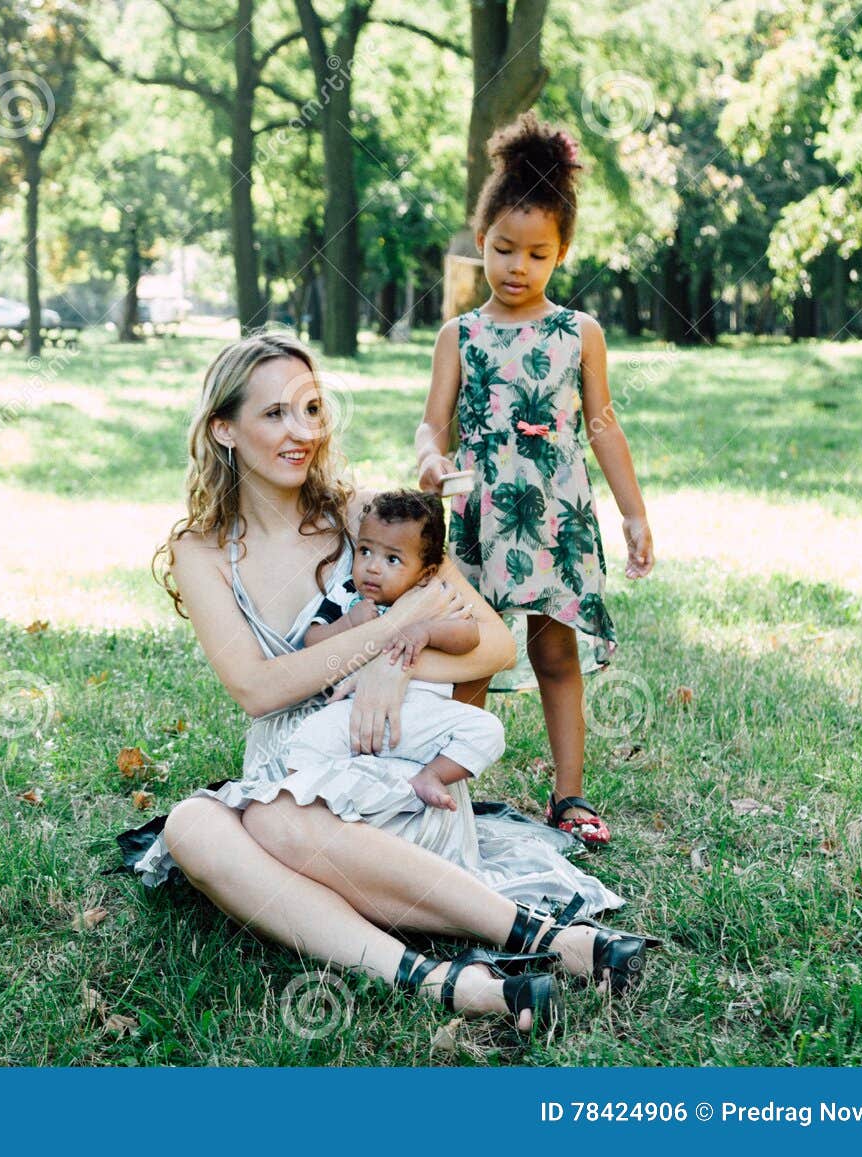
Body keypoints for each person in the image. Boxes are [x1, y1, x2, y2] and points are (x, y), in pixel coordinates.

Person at [120, 329, 655, 1037]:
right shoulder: (201, 548)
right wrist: (380, 645)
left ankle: (546, 938)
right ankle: (446, 980)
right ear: (223, 427)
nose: (302, 431)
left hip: (396, 767)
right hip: (290, 769)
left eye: (312, 409)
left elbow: (493, 643)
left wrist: (396, 666)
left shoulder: (366, 516)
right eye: (275, 413)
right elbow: (254, 688)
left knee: (276, 819)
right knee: (193, 823)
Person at [414, 112, 655, 848]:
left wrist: (634, 514)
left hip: (558, 520)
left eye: (537, 254)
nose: (517, 266)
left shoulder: (578, 332)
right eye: (502, 249)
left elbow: (604, 426)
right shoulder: (460, 335)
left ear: (562, 255)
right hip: (485, 520)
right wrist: (429, 457)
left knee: (555, 653)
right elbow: (435, 423)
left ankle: (570, 794)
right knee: (477, 655)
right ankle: (447, 790)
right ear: (480, 241)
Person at [297, 488, 499, 811]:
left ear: (425, 571)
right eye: (365, 552)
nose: (373, 568)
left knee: (488, 731)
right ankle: (315, 804)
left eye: (392, 559)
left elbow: (470, 635)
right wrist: (347, 624)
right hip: (354, 714)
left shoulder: (434, 595)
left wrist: (426, 631)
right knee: (305, 743)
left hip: (422, 717)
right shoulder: (346, 594)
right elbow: (312, 641)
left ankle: (430, 775)